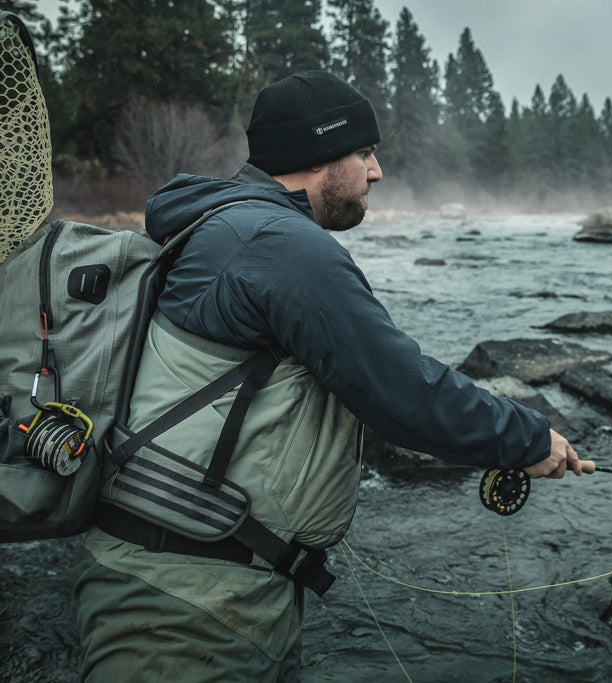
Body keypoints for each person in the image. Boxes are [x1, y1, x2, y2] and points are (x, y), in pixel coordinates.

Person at [73, 70, 583, 681]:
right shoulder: (279, 245)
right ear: (319, 155)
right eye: (365, 153)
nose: (377, 172)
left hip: (179, 579)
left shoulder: (223, 225)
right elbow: (401, 390)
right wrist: (527, 439)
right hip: (183, 604)